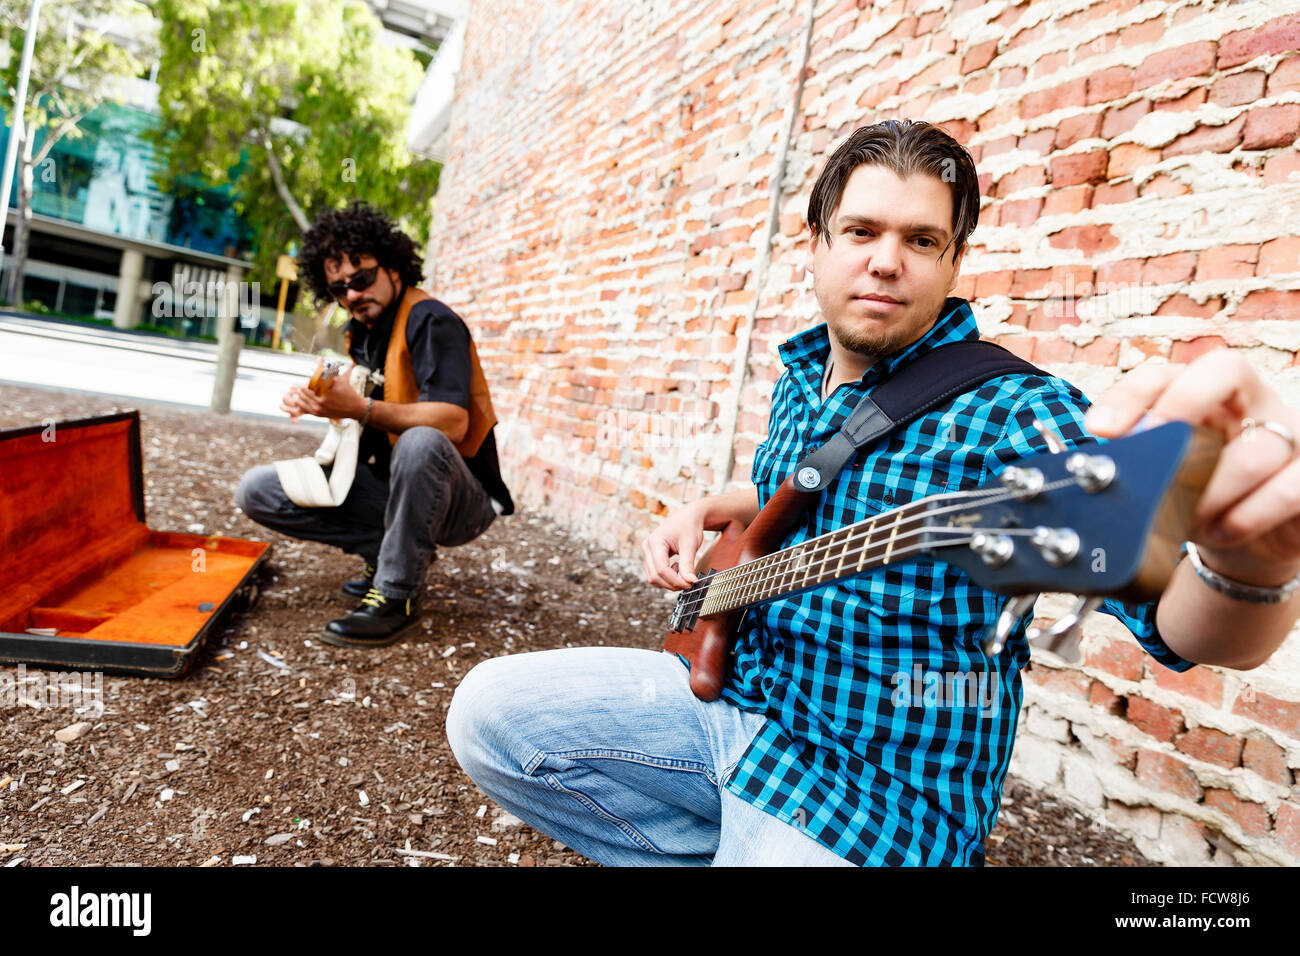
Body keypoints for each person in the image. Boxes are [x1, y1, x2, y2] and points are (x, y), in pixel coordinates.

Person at [445, 120, 1300, 865]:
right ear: (816, 244)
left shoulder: (1013, 418)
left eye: (922, 240)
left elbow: (1186, 624)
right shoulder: (805, 370)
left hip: (871, 800)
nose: (887, 261)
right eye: (861, 230)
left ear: (953, 260)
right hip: (738, 706)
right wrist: (716, 504)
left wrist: (1249, 560)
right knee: (489, 717)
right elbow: (806, 483)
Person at [235, 202, 513, 648]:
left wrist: (359, 407)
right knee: (256, 489)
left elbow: (454, 423)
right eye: (338, 289)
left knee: (422, 440)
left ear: (394, 267)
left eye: (361, 279)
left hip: (463, 499)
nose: (350, 295)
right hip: (394, 485)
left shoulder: (431, 320)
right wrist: (320, 401)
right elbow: (360, 413)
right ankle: (385, 552)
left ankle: (396, 595)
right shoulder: (360, 330)